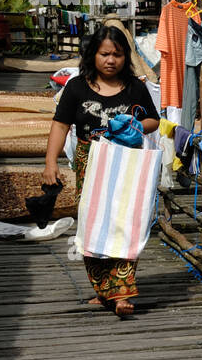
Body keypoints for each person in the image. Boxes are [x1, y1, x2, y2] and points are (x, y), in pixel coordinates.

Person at [45, 25, 160, 317]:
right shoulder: (77, 87)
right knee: (92, 224)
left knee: (125, 223)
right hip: (90, 164)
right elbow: (60, 125)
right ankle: (104, 289)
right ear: (92, 55)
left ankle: (121, 293)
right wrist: (50, 164)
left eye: (118, 55)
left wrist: (132, 125)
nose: (111, 60)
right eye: (105, 54)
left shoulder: (135, 87)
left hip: (126, 165)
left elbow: (153, 121)